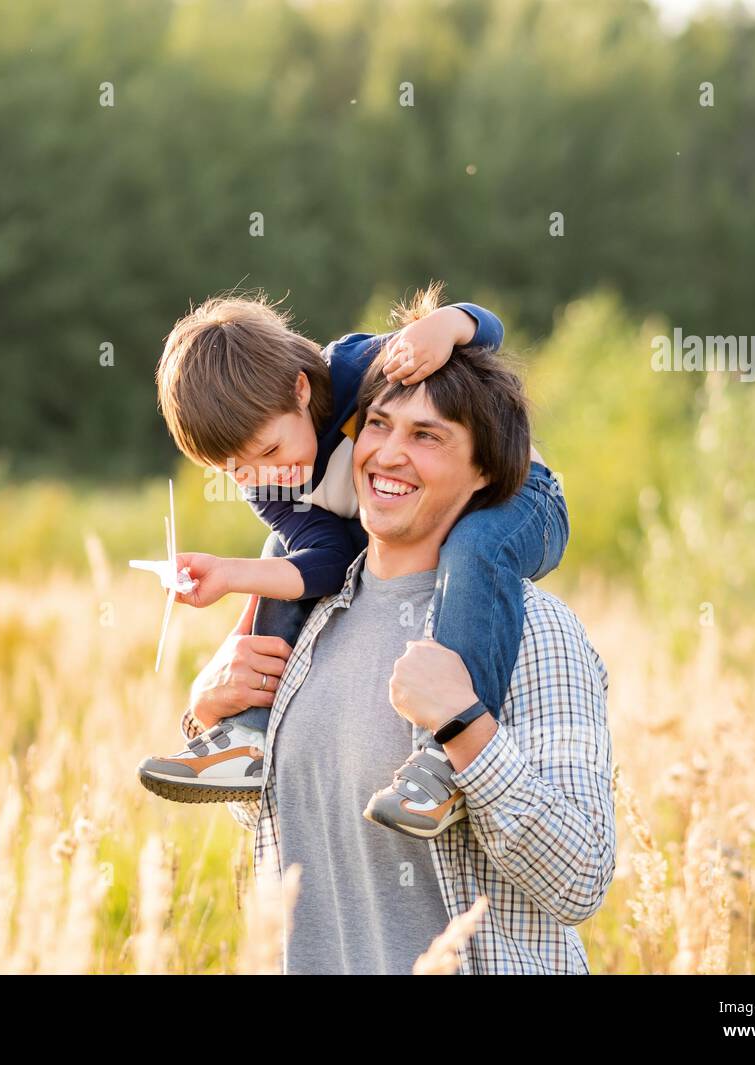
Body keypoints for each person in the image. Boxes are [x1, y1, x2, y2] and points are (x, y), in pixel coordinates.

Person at [177, 343, 614, 974]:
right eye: (377, 424)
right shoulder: (310, 620)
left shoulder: (541, 634)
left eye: (428, 436)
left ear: (486, 470)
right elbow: (299, 825)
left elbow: (580, 882)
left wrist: (466, 728)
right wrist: (213, 717)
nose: (389, 453)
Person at [138, 282, 569, 839]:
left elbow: (486, 335)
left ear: (299, 390)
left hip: (516, 500)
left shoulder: (355, 366)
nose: (265, 476)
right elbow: (328, 560)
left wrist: (445, 327)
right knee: (277, 552)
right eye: (235, 470)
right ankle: (247, 734)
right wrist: (230, 573)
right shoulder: (268, 483)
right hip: (395, 520)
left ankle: (445, 763)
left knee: (475, 547)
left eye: (270, 451)